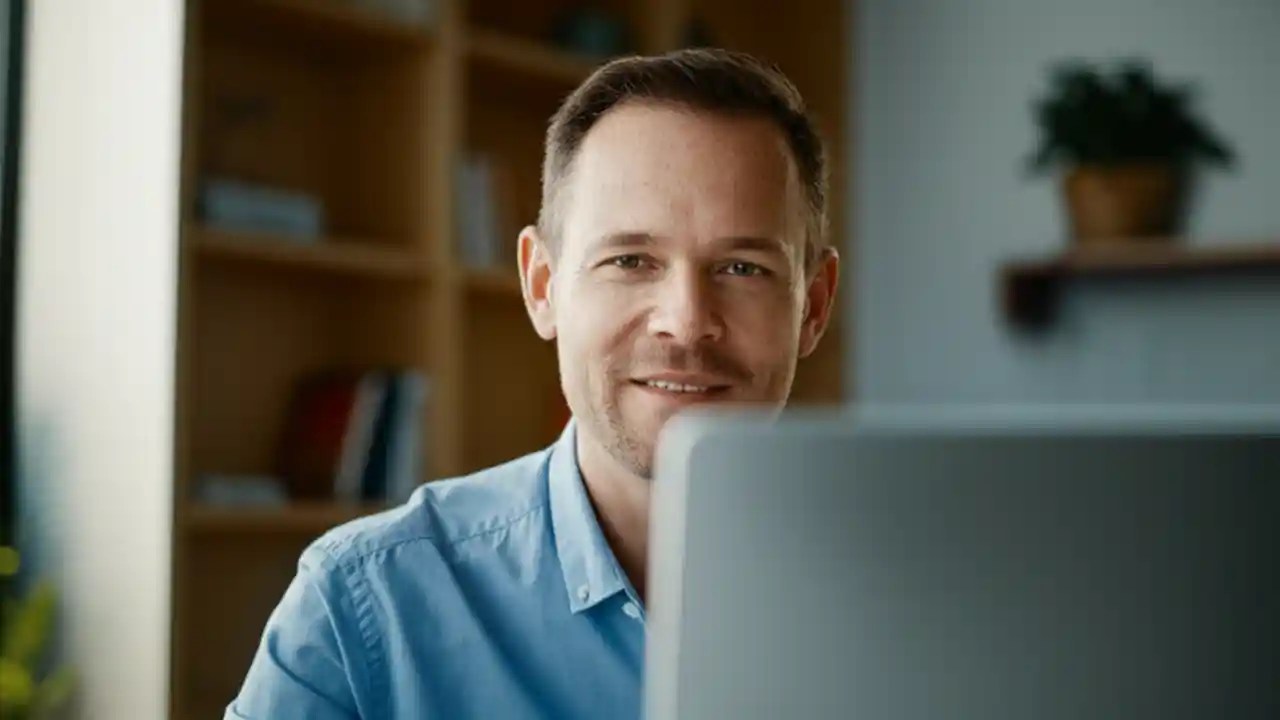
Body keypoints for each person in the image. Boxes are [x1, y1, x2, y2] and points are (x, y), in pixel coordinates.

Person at [226, 47, 840, 720]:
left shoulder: (941, 595)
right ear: (542, 286)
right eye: (630, 260)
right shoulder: (361, 605)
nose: (686, 323)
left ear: (812, 305)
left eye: (743, 268)